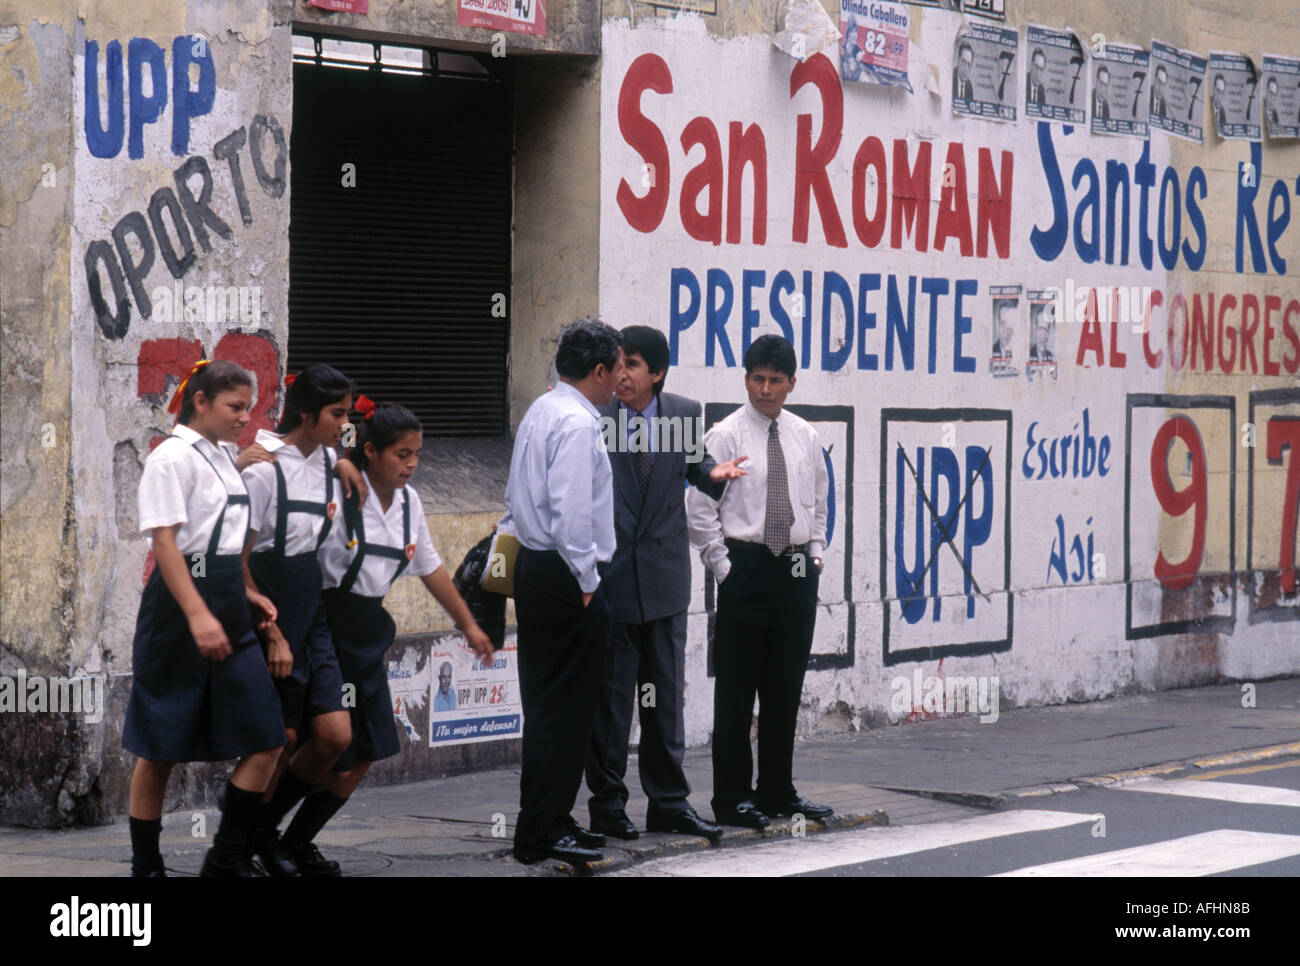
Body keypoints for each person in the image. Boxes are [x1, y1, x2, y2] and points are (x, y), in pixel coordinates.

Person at [287, 401, 494, 876]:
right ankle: (258, 834)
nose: (412, 464)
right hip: (325, 627)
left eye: (418, 454)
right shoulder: (338, 492)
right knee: (325, 742)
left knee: (362, 756)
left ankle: (297, 842)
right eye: (403, 454)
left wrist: (468, 624)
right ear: (371, 451)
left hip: (367, 634)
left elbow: (433, 569)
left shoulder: (410, 505)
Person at [584, 326, 747, 845]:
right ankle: (608, 806)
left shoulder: (680, 412)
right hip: (610, 582)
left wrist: (712, 472)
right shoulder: (597, 418)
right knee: (612, 706)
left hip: (664, 580)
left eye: (633, 365)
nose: (622, 375)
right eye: (618, 364)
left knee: (664, 701)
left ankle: (670, 804)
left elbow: (693, 464)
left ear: (656, 373)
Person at [123, 359, 286, 877]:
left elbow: (217, 530)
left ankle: (226, 856)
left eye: (248, 407)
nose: (245, 417)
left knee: (267, 736)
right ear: (201, 401)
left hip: (227, 602)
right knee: (160, 744)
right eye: (235, 407)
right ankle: (146, 866)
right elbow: (168, 543)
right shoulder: (169, 458)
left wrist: (243, 591)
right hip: (178, 609)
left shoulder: (218, 455)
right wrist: (197, 615)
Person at [686, 334, 831, 830]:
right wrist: (724, 567)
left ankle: (777, 790)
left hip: (793, 568)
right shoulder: (725, 435)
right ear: (746, 378)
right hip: (745, 564)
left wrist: (813, 556)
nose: (765, 389)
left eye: (775, 380)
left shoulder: (805, 436)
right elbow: (701, 511)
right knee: (737, 688)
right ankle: (732, 798)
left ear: (792, 383)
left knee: (783, 685)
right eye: (757, 378)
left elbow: (818, 502)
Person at [504, 318, 623, 866]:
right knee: (567, 710)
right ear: (598, 370)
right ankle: (542, 830)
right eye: (618, 368)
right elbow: (573, 517)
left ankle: (547, 815)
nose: (621, 379)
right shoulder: (577, 424)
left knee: (548, 705)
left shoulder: (541, 409)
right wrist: (587, 582)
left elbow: (517, 494)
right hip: (565, 576)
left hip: (536, 570)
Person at [241, 364, 359, 877]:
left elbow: (336, 459)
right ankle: (245, 841)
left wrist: (346, 463)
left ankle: (266, 829)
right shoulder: (262, 471)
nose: (344, 424)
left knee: (334, 735)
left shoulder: (331, 460)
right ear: (306, 414)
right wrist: (270, 631)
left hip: (312, 610)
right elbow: (236, 562)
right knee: (280, 740)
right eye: (337, 414)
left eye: (348, 414)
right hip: (269, 607)